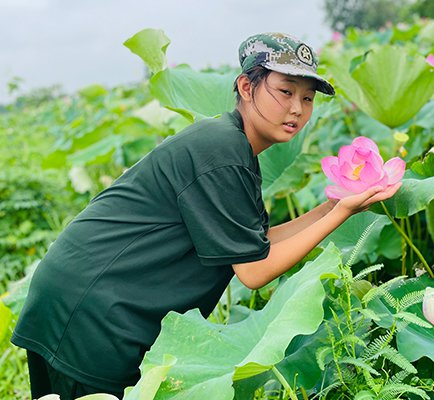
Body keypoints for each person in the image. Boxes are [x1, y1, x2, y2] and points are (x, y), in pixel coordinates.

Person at [11, 32, 401, 399]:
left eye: (308, 98)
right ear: (246, 88)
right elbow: (253, 271)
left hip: (80, 298)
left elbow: (256, 245)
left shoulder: (232, 146)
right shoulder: (222, 150)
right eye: (285, 92)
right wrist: (343, 212)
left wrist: (334, 205)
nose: (297, 109)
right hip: (91, 313)